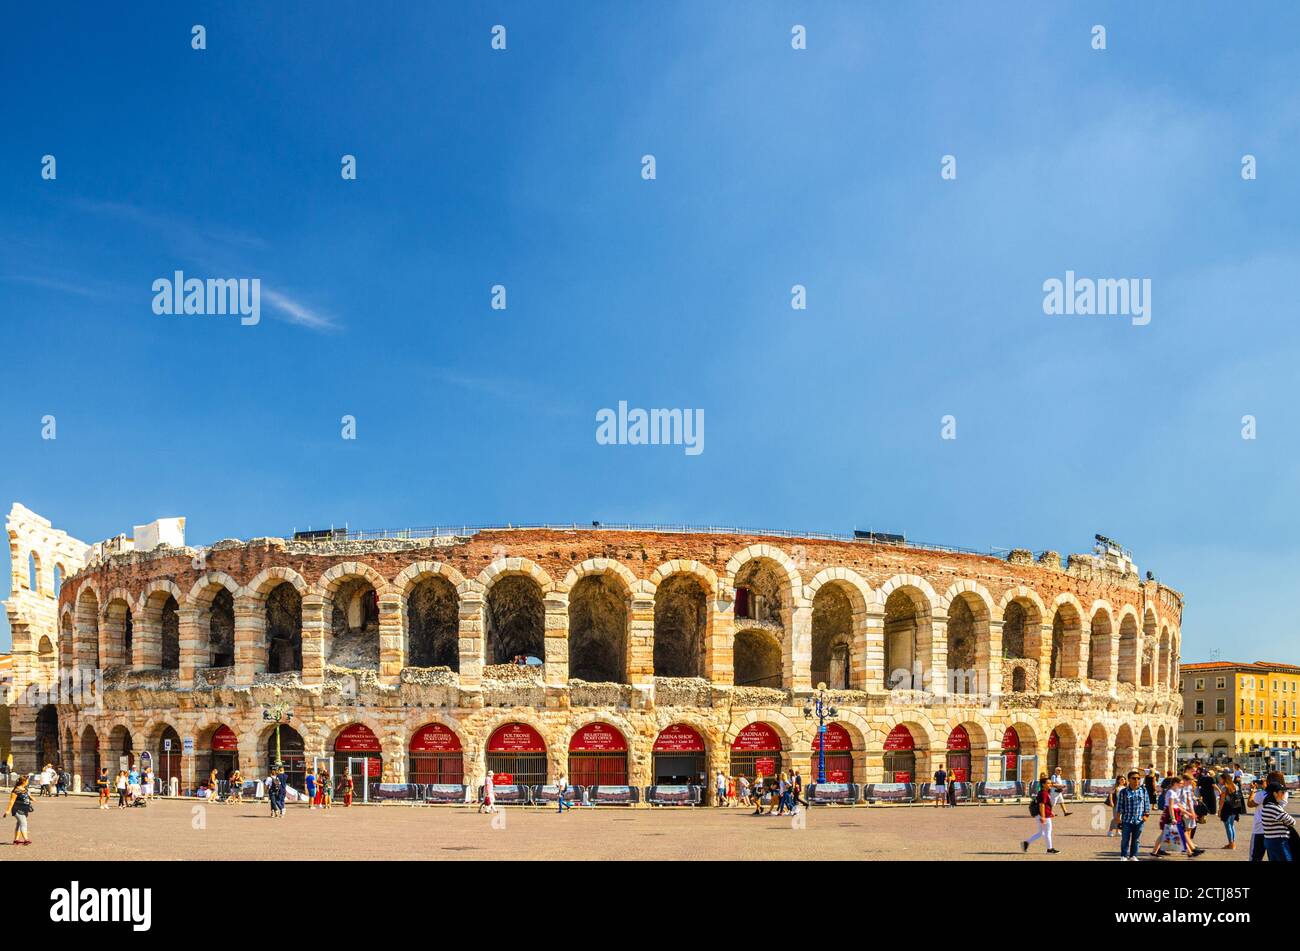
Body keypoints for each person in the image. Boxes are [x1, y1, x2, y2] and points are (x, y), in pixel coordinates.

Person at [1249, 770, 1287, 861]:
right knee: (1274, 858)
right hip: (1275, 831)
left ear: (1269, 781)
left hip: (1260, 829)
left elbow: (1250, 804)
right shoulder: (1284, 794)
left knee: (1255, 858)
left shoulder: (1261, 794)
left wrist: (1253, 790)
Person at [1116, 770, 1150, 861]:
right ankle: (1124, 856)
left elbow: (1147, 804)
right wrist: (1118, 819)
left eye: (1138, 778)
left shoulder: (1143, 791)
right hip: (1127, 820)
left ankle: (1133, 856)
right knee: (1125, 839)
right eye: (1134, 778)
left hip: (1139, 820)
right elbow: (1119, 806)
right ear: (1129, 779)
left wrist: (1146, 816)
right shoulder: (1123, 792)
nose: (1136, 780)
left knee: (1136, 839)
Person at [1021, 772, 1059, 854]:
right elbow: (1042, 805)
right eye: (1048, 783)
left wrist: (1050, 812)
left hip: (1043, 814)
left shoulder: (1044, 792)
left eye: (1050, 783)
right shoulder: (1043, 793)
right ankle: (1049, 849)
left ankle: (1026, 843)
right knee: (1048, 832)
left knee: (1040, 833)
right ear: (1043, 784)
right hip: (1043, 815)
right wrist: (1043, 817)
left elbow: (1046, 805)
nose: (1050, 784)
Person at [1260, 782, 1295, 862]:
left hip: (1271, 840)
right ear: (1275, 793)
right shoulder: (1273, 807)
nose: (1284, 794)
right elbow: (1292, 821)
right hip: (1278, 841)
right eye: (1282, 792)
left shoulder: (1269, 805)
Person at [2, 773, 34, 846]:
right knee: (24, 823)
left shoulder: (25, 789)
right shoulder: (16, 790)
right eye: (27, 781)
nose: (28, 782)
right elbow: (12, 801)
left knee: (19, 823)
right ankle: (26, 839)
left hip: (24, 809)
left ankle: (16, 840)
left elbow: (28, 796)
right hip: (17, 809)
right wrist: (8, 811)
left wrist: (32, 799)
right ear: (24, 781)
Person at [1218, 774, 1245, 850]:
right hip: (1235, 807)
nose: (1219, 780)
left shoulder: (1224, 787)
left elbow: (1222, 800)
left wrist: (1219, 810)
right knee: (1232, 825)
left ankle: (1231, 844)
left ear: (1224, 779)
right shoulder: (1235, 786)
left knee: (1228, 826)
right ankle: (1232, 843)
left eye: (1220, 779)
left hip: (1227, 808)